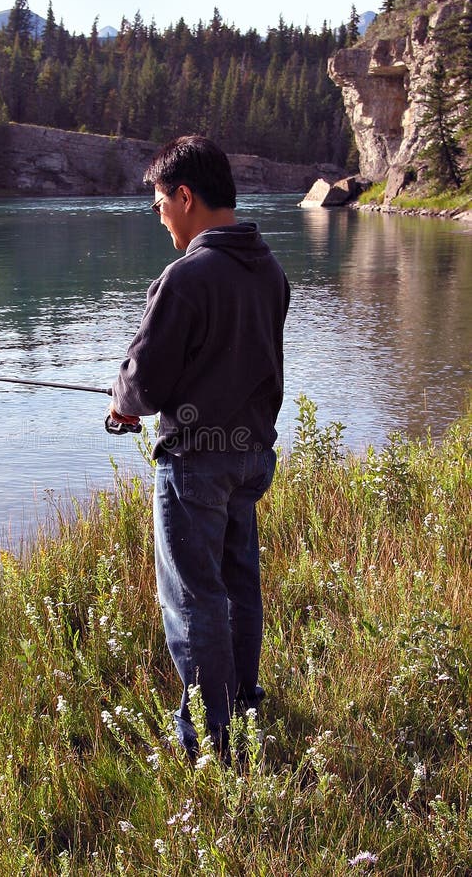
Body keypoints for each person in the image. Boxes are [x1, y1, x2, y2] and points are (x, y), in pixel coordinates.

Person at [109, 135, 290, 761]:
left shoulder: (186, 276)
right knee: (239, 588)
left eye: (160, 204)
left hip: (195, 464)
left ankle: (208, 742)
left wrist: (121, 405)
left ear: (185, 197)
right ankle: (243, 709)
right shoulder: (269, 268)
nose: (160, 218)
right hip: (251, 458)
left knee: (194, 599)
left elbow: (145, 380)